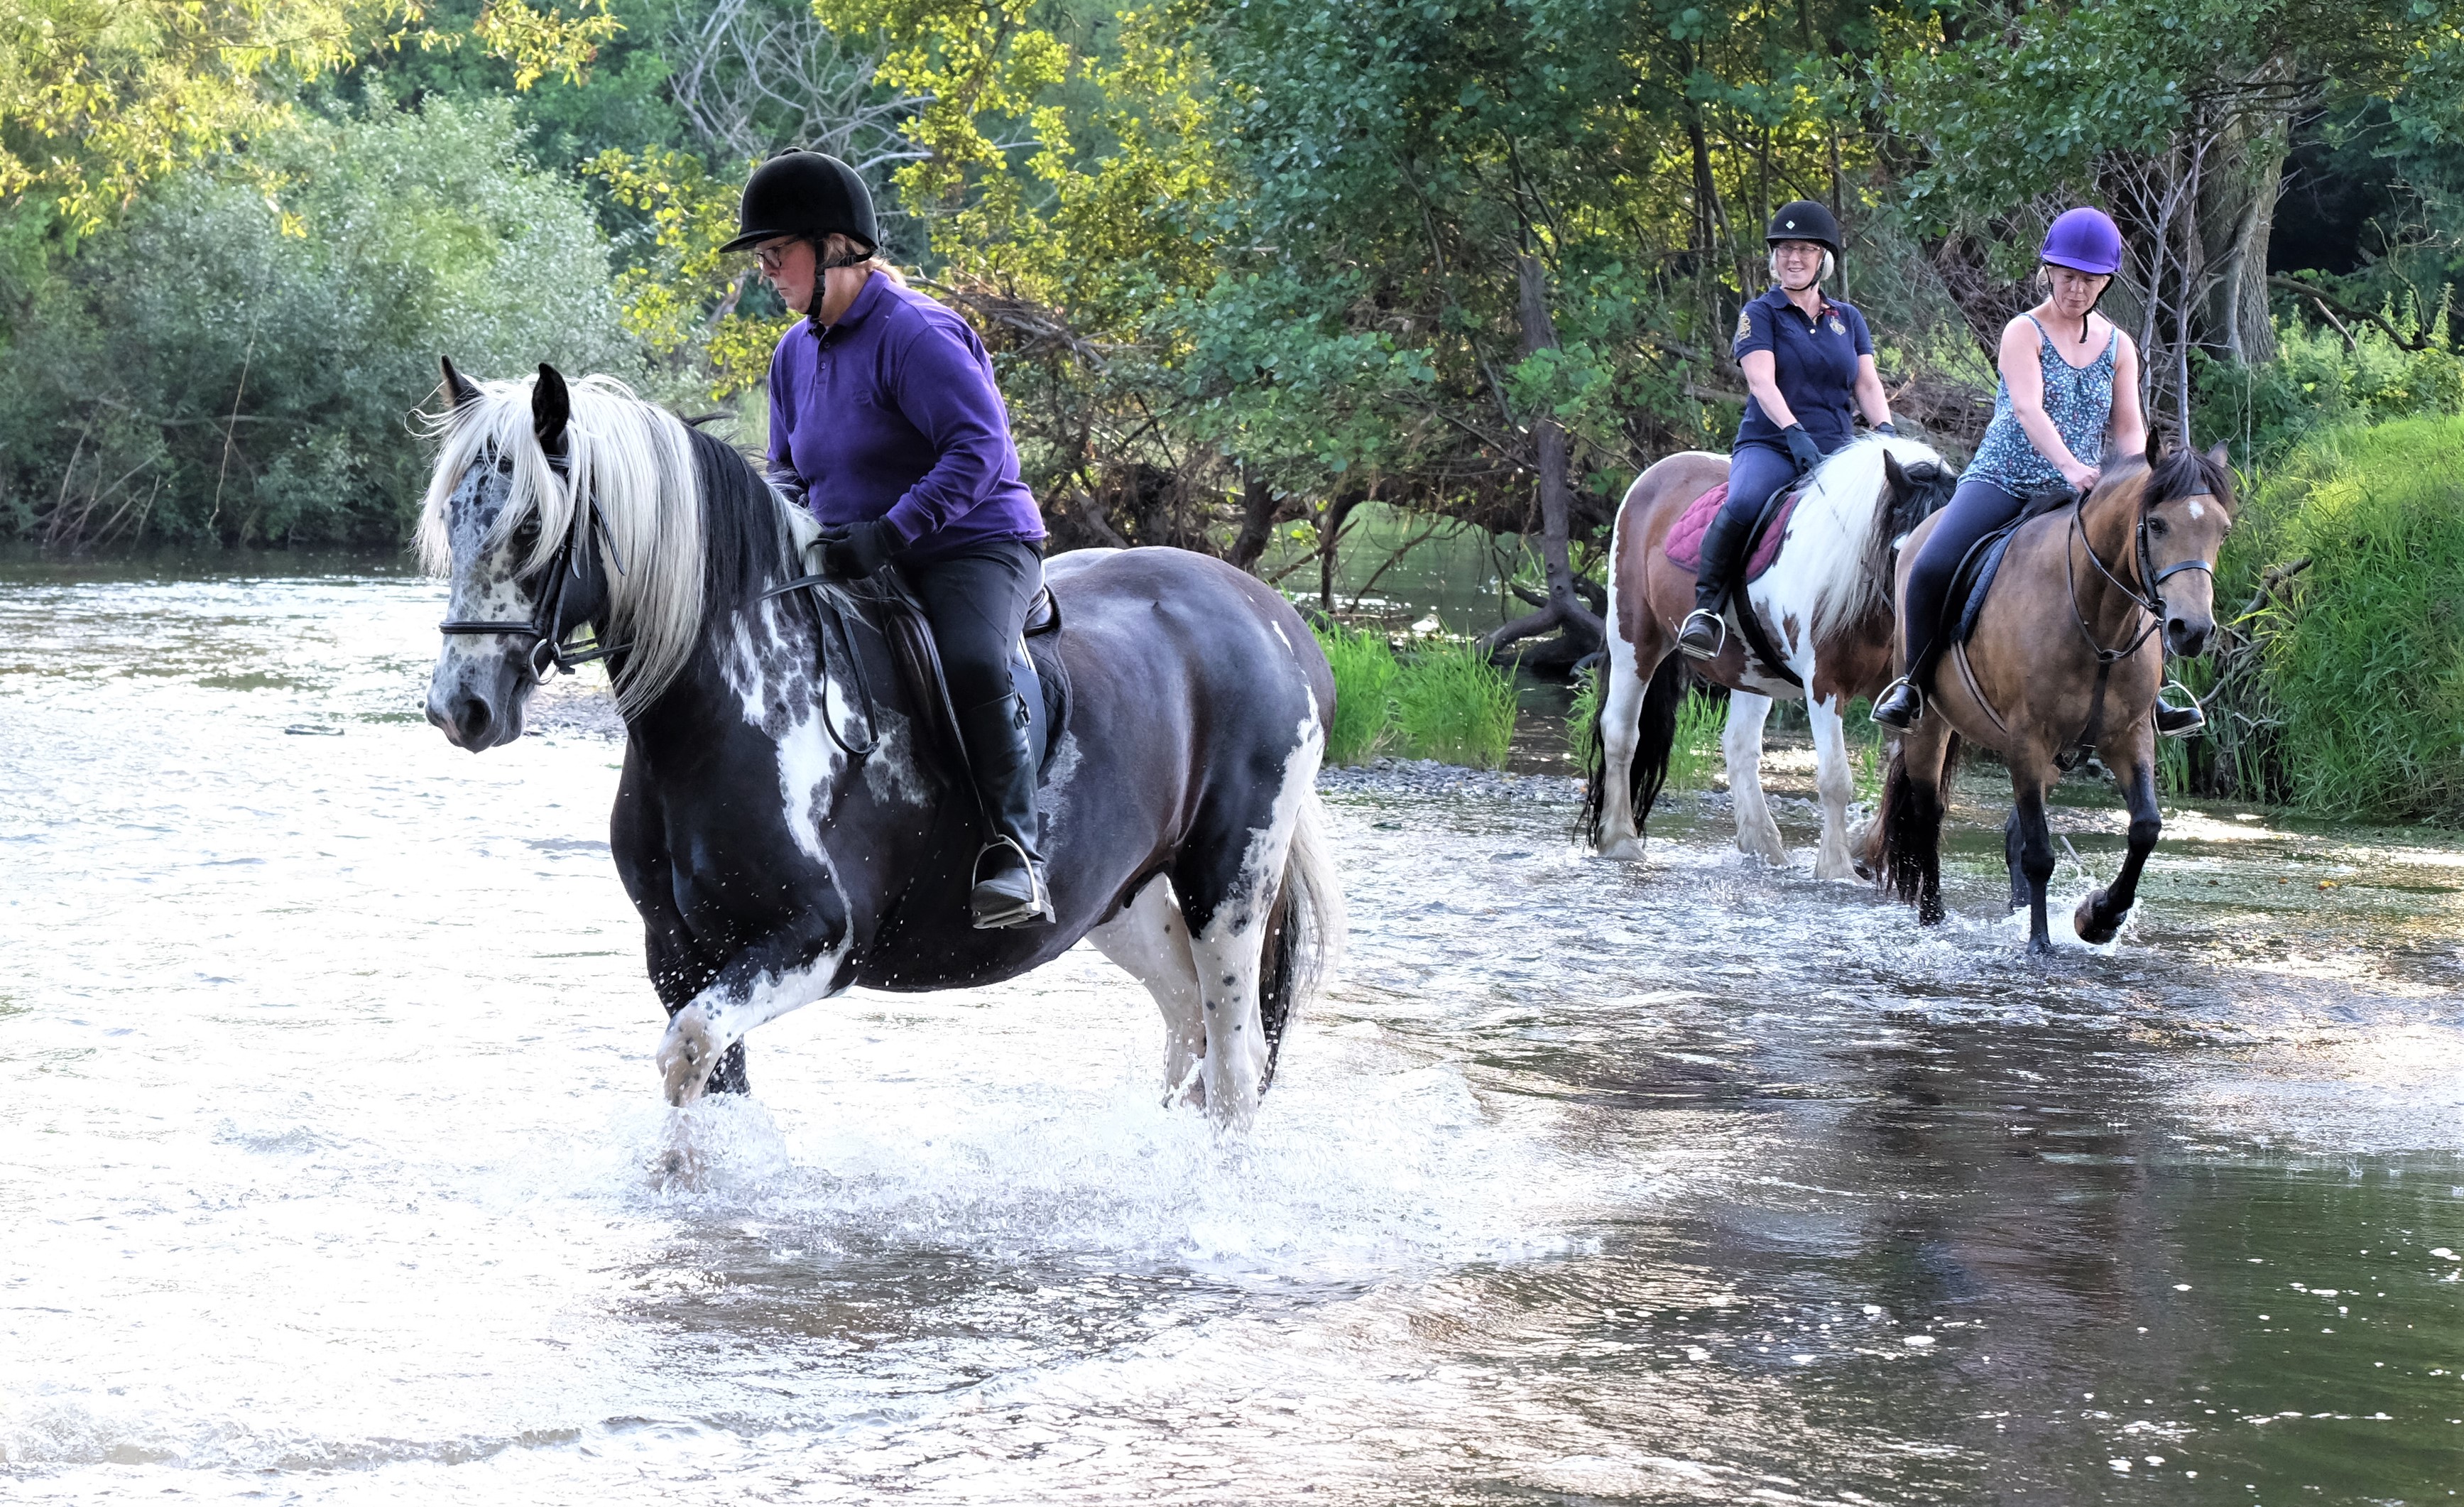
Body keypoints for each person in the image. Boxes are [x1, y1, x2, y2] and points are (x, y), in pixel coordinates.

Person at [725, 151, 1054, 927]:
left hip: (971, 543)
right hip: (851, 548)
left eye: (779, 252)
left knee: (971, 659)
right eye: (763, 256)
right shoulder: (791, 353)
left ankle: (1015, 849)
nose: (768, 270)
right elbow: (785, 470)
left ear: (834, 246)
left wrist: (892, 532)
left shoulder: (916, 334)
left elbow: (979, 451)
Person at [1870, 207, 2197, 736]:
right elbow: (2027, 409)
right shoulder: (2023, 332)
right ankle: (1912, 685)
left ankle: (2156, 694)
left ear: (2107, 280)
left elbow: (2130, 429)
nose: (2076, 289)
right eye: (2067, 276)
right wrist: (2071, 467)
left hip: (2083, 492)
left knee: (2144, 563)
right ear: (2049, 271)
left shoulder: (2119, 347)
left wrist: (2136, 482)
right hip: (2004, 477)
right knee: (1930, 566)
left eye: (2089, 280)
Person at [1678, 200, 1898, 660]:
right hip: (1772, 443)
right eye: (1784, 250)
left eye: (1803, 250)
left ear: (1823, 260)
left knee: (1893, 513)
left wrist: (1885, 429)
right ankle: (1707, 609)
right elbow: (1761, 380)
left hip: (1838, 450)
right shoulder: (1760, 313)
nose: (1792, 259)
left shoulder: (1848, 319)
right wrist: (1794, 431)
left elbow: (1868, 383)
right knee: (1744, 501)